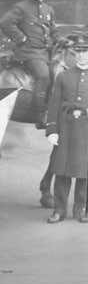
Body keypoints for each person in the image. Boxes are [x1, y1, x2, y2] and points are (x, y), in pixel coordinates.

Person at [0, 0, 55, 127]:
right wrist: (21, 38)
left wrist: (61, 40)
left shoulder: (48, 9)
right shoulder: (21, 7)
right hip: (28, 52)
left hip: (45, 51)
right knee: (43, 76)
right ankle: (40, 114)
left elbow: (53, 30)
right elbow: (5, 23)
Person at [44, 32, 88, 223]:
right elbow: (54, 104)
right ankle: (59, 210)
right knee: (61, 169)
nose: (81, 55)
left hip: (86, 129)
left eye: (85, 51)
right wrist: (52, 130)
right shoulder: (63, 76)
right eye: (78, 51)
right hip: (65, 127)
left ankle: (81, 210)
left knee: (84, 170)